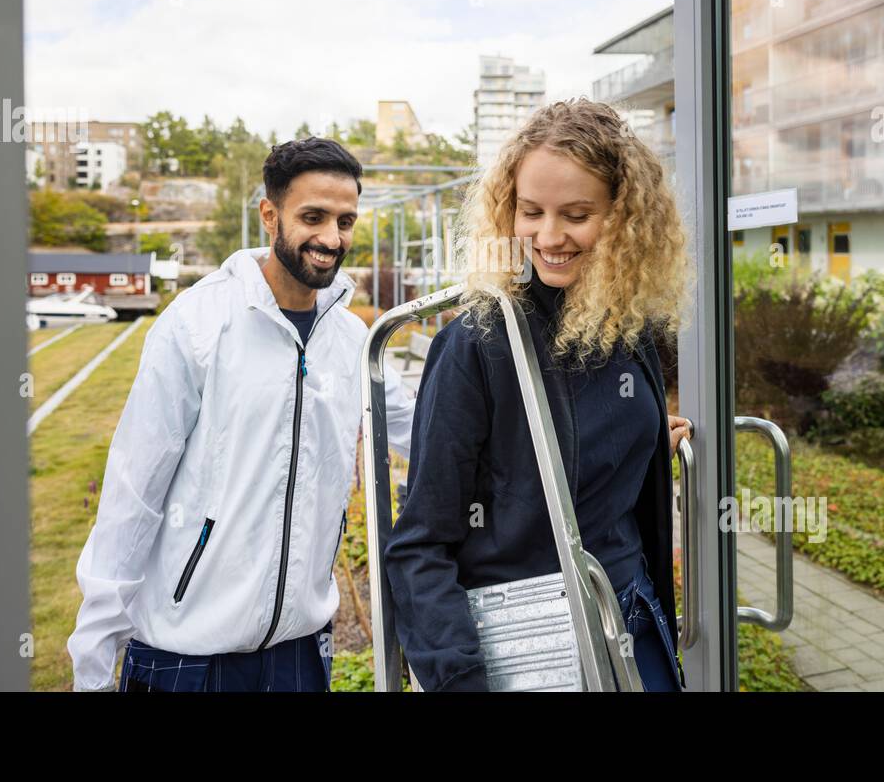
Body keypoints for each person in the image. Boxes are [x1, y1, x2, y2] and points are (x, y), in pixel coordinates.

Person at [67, 136, 415, 691]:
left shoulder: (353, 342)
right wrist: (93, 662)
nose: (331, 237)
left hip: (299, 657)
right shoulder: (198, 325)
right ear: (269, 216)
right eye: (313, 217)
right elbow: (134, 489)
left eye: (345, 220)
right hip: (187, 656)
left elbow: (422, 433)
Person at [383, 98, 693, 691]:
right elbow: (420, 542)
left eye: (576, 215)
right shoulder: (476, 343)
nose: (549, 237)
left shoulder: (628, 329)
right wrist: (458, 679)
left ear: (625, 219)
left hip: (631, 618)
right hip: (530, 643)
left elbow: (584, 444)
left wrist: (649, 436)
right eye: (531, 212)